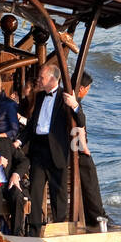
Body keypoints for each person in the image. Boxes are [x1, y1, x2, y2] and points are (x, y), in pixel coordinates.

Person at [19, 62, 83, 232]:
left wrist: (75, 105)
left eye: (42, 77)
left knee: (58, 195)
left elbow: (81, 121)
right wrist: (19, 141)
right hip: (38, 150)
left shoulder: (65, 97)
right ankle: (34, 230)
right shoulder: (39, 97)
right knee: (35, 191)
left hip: (57, 151)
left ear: (53, 79)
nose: (38, 80)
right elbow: (33, 124)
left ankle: (59, 230)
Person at [73, 70, 108, 229]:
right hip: (74, 150)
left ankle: (94, 211)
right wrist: (84, 148)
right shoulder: (76, 103)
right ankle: (96, 214)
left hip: (72, 146)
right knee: (89, 170)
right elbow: (78, 129)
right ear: (81, 88)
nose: (88, 92)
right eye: (88, 89)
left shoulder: (68, 100)